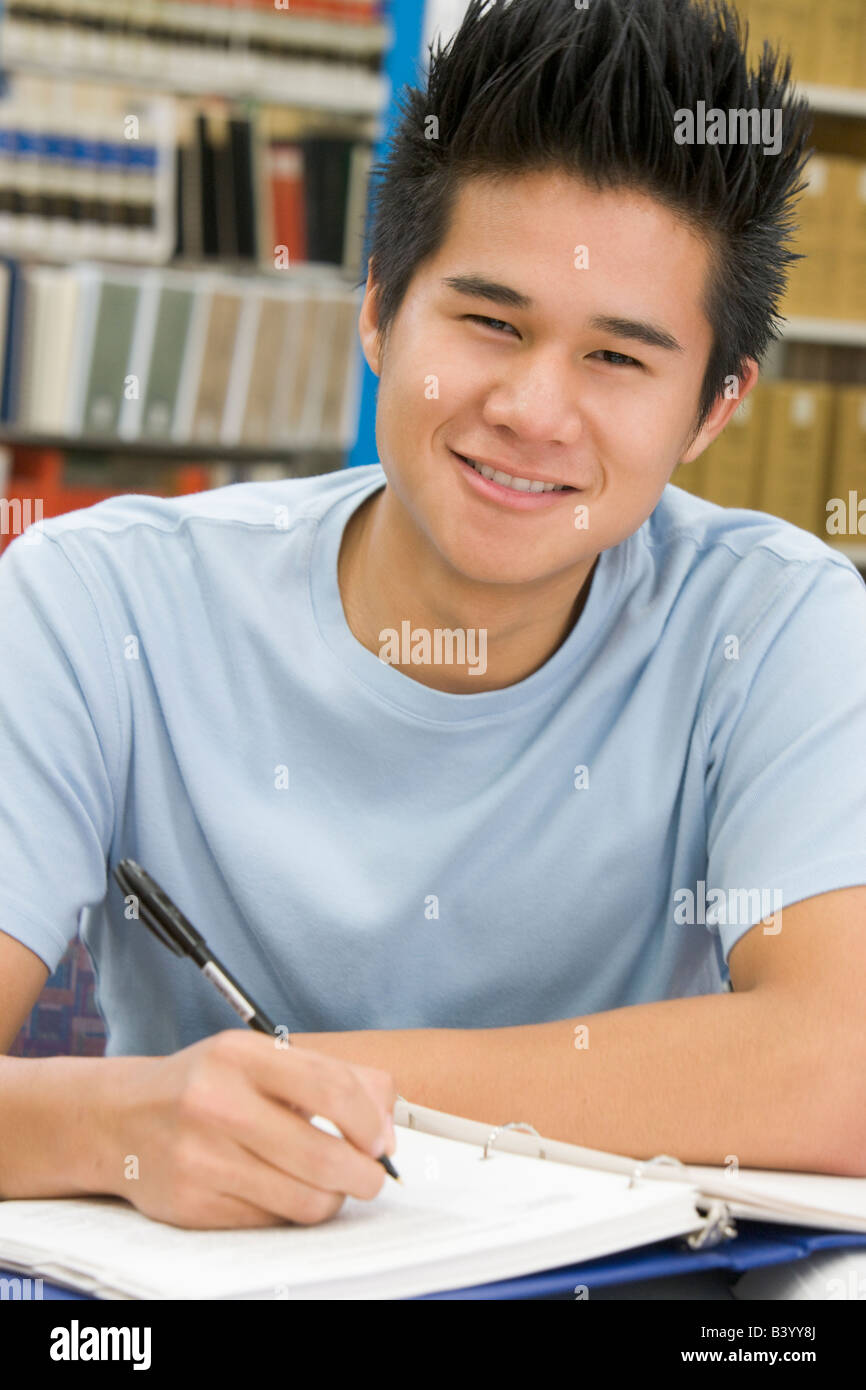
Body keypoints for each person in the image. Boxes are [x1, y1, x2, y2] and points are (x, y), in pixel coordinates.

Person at [2, 0, 865, 1239]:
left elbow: (836, 1066)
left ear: (712, 411)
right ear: (376, 309)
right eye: (488, 322)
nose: (531, 409)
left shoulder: (777, 623)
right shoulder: (96, 602)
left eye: (617, 360)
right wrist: (122, 1124)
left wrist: (323, 1081)